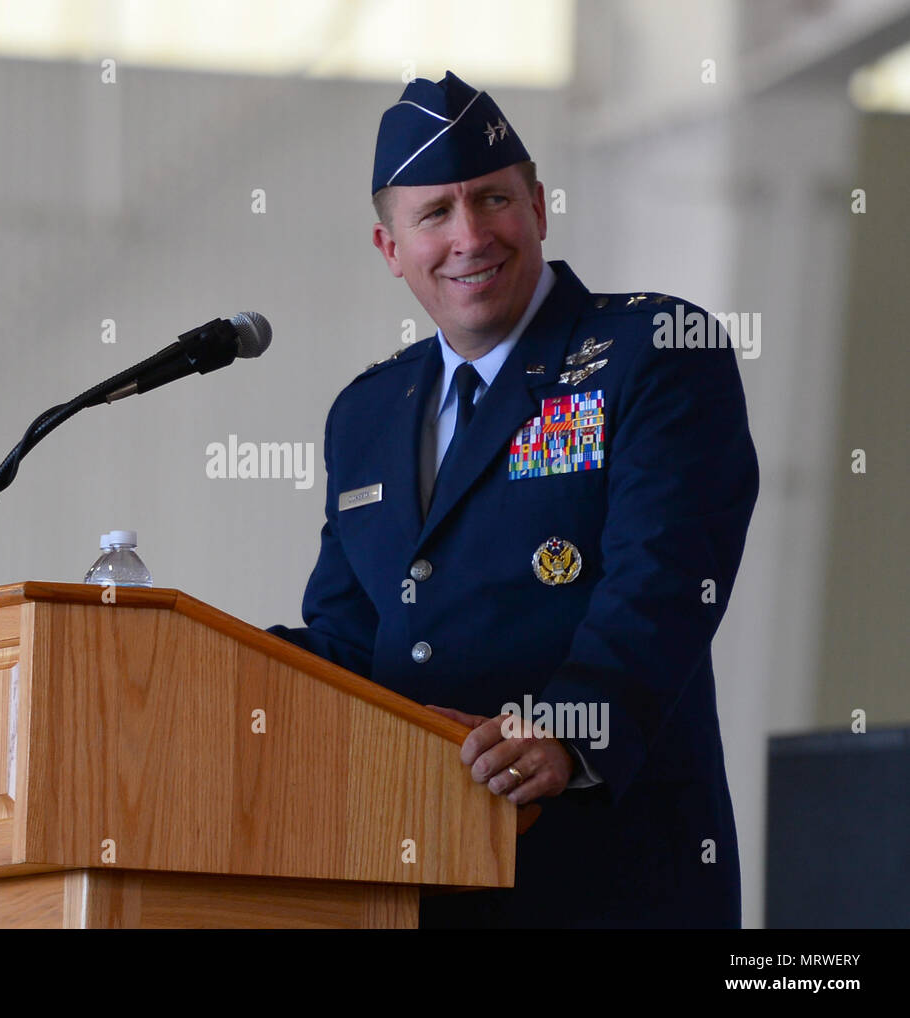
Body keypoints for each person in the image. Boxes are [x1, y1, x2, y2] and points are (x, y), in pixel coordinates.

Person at [265, 70, 758, 928]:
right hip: (409, 876)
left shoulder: (651, 350)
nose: (470, 236)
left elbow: (669, 579)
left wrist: (565, 727)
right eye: (434, 214)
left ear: (537, 204)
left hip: (605, 875)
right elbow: (352, 638)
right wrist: (221, 673)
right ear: (391, 249)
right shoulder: (367, 413)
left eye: (492, 199)